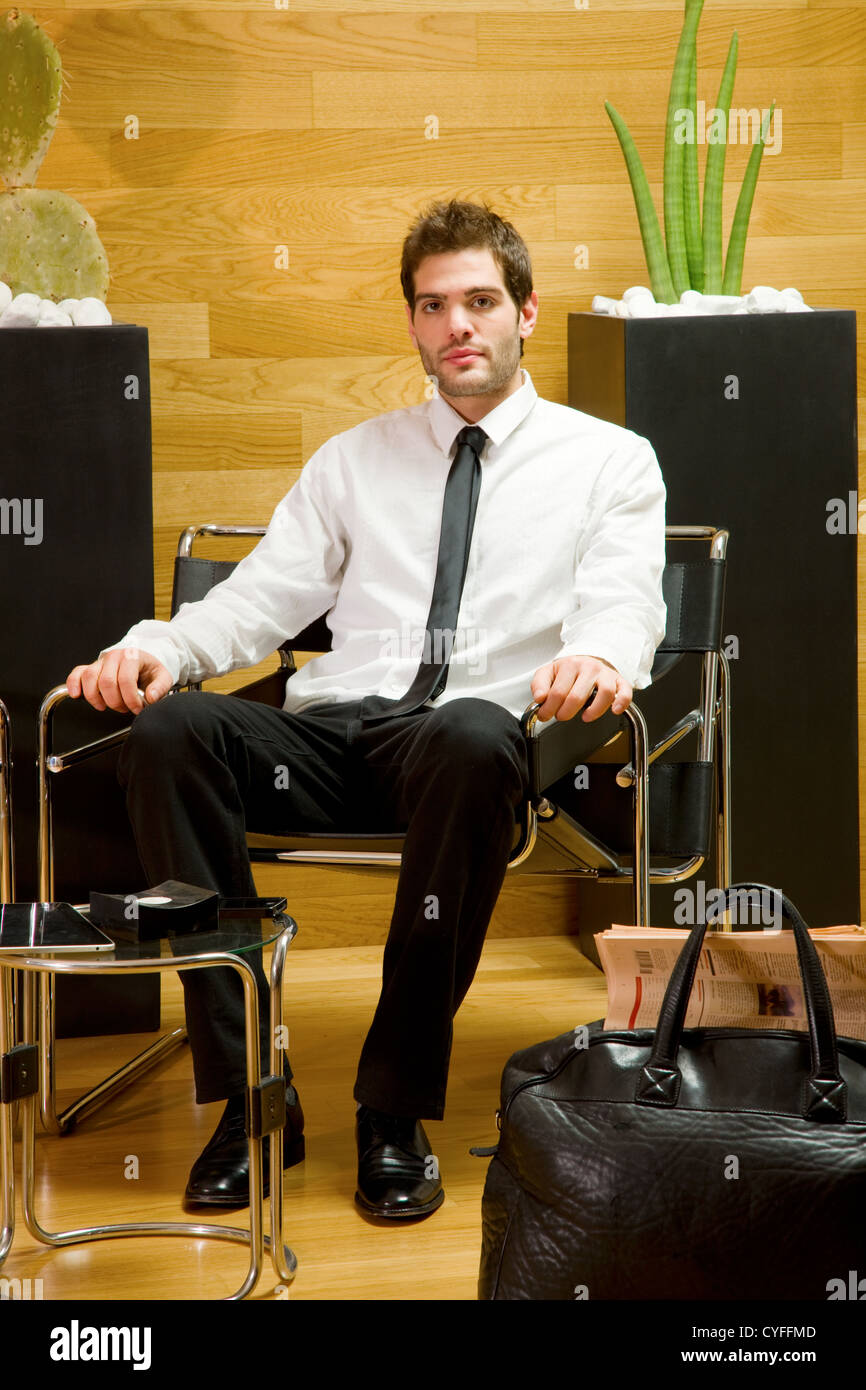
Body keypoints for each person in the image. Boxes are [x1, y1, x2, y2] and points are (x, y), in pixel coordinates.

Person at [66, 199, 666, 1222]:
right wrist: (153, 647)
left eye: (479, 300)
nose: (457, 326)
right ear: (413, 325)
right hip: (338, 736)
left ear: (525, 310)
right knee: (170, 727)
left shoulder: (608, 461)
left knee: (477, 732)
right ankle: (249, 1093)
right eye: (434, 306)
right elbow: (257, 602)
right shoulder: (352, 459)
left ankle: (393, 1106)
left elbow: (621, 600)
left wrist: (599, 656)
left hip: (466, 744)